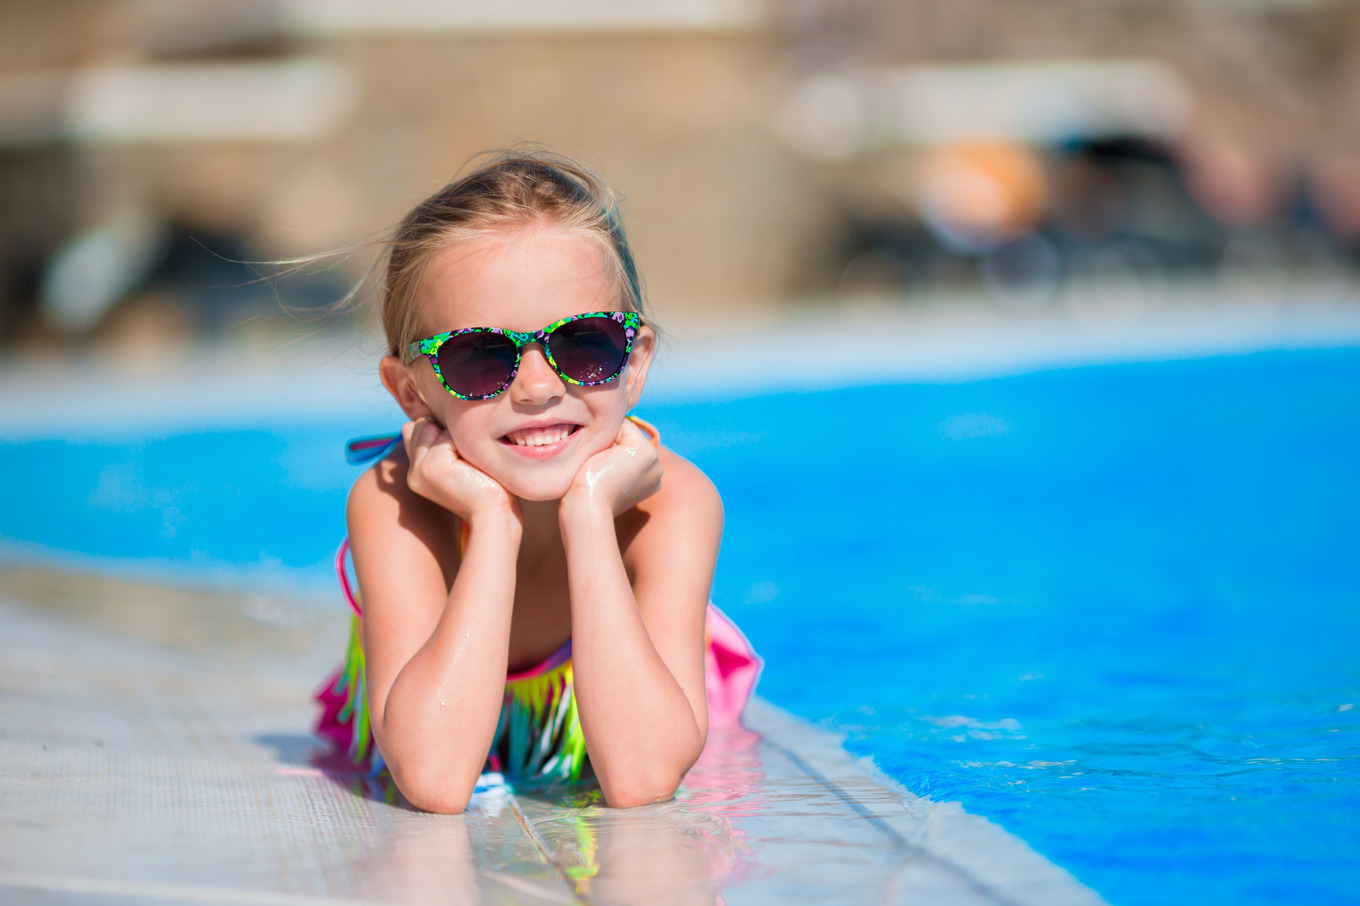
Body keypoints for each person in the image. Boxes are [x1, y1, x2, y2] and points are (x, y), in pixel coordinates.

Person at [314, 152, 760, 814]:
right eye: (478, 356)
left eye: (584, 344)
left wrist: (589, 516)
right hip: (440, 722)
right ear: (410, 392)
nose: (539, 387)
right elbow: (433, 778)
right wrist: (493, 521)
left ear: (634, 364)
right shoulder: (394, 504)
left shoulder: (674, 505)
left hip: (640, 702)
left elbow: (642, 778)